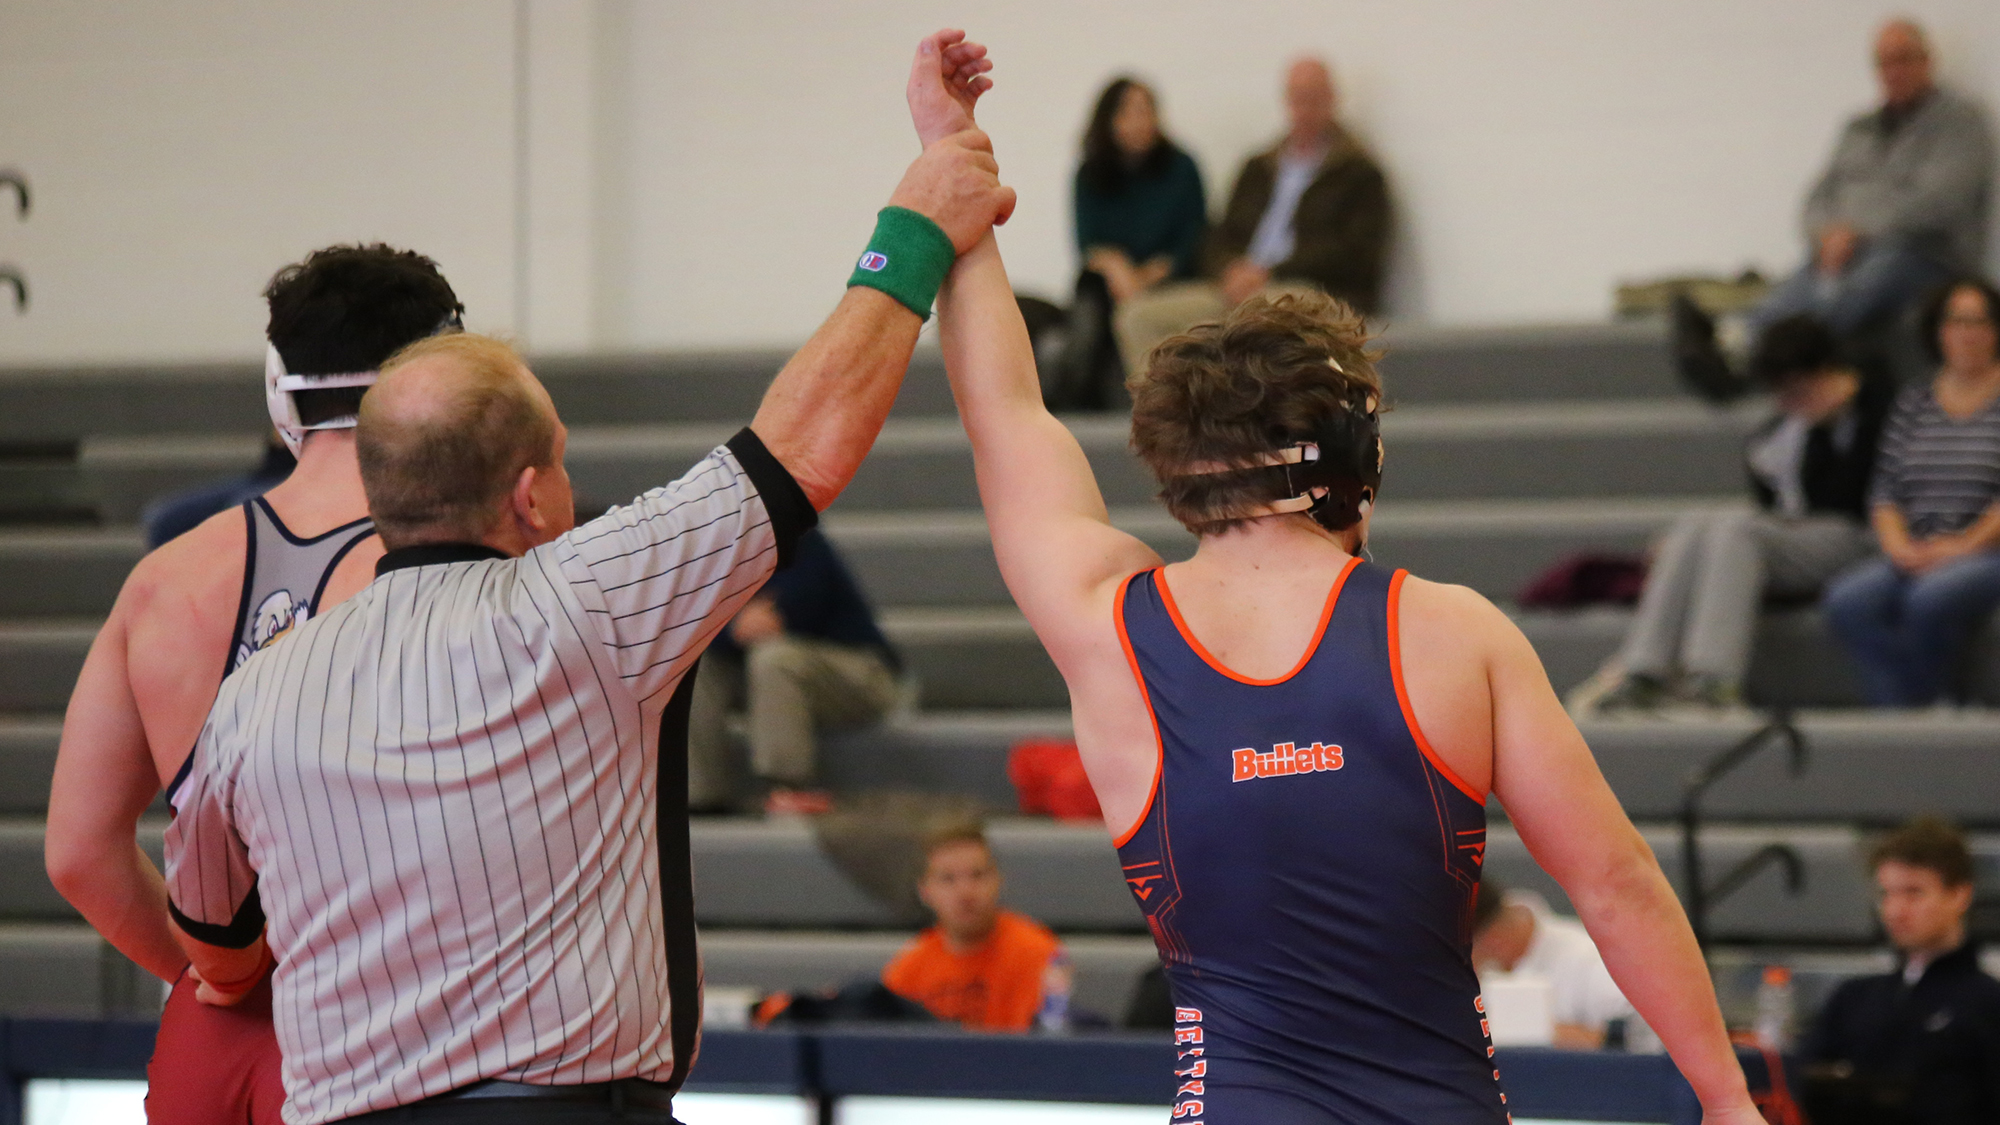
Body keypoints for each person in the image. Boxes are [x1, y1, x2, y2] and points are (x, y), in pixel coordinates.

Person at [158, 31, 1013, 1125]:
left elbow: (216, 940)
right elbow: (804, 442)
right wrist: (918, 222)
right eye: (560, 456)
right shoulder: (588, 598)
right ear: (528, 495)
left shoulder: (254, 697)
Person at [931, 224, 1758, 1119]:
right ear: (1350, 456)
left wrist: (957, 202)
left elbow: (1006, 412)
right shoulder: (1453, 633)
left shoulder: (1107, 628)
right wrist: (1725, 1097)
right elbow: (1615, 882)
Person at [44, 244, 466, 1125]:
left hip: (208, 1049)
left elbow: (79, 853)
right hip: (380, 1036)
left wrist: (211, 974)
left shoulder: (164, 579)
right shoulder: (449, 575)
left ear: (281, 386)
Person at [1676, 20, 1994, 397]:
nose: (1894, 72)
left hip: (1927, 257)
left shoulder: (1960, 123)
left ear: (1927, 62)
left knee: (1877, 271)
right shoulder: (1857, 129)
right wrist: (1825, 235)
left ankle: (1770, 353)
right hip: (1851, 251)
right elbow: (1817, 200)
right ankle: (1734, 335)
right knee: (1808, 275)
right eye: (1884, 62)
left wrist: (1857, 231)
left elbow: (1940, 200)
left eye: (1904, 60)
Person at [1594, 314, 1892, 712]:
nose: (1788, 404)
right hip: (1799, 534)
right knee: (1695, 525)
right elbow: (1773, 500)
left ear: (1827, 374)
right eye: (1781, 395)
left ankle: (1713, 680)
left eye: (1797, 391)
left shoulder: (1878, 413)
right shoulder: (1784, 431)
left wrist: (1838, 423)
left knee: (1739, 530)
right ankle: (1643, 670)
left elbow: (1853, 498)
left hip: (1862, 535)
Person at [1112, 57, 1390, 379]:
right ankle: (1165, 419)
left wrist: (1269, 271)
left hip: (1305, 288)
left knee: (1268, 310)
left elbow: (1355, 253)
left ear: (1332, 100)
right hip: (1237, 285)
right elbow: (1218, 235)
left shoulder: (1359, 174)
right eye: (1297, 98)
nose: (1305, 109)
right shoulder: (1258, 168)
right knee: (1138, 317)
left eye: (1314, 97)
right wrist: (1230, 269)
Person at [1823, 278, 2000, 706]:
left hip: (1986, 551)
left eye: (1978, 322)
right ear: (1938, 331)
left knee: (1932, 599)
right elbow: (1886, 491)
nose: (1966, 333)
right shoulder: (1914, 401)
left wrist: (1960, 547)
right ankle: (1903, 715)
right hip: (1919, 547)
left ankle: (1932, 706)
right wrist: (1900, 547)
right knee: (1848, 600)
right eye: (1956, 322)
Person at [688, 526, 902, 816]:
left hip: (857, 672)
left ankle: (788, 786)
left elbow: (789, 611)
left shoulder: (799, 535)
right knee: (692, 662)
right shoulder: (705, 549)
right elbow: (686, 622)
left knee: (774, 658)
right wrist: (732, 627)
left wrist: (729, 624)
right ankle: (700, 793)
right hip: (761, 673)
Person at [1800, 817, 2000, 1125]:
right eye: (1886, 894)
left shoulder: (1986, 1003)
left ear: (1959, 895)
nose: (1895, 910)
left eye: (1914, 893)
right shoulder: (1854, 998)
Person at [1049, 76, 1207, 410]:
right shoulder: (1090, 172)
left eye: (1146, 111)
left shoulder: (1181, 167)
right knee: (1092, 299)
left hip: (1169, 279)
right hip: (1110, 283)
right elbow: (1089, 245)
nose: (1139, 122)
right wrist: (1119, 271)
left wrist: (1145, 277)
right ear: (1108, 121)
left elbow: (1192, 238)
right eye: (1128, 112)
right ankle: (1073, 396)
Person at [881, 825, 1069, 1032]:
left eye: (977, 875)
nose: (965, 892)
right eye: (948, 879)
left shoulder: (1038, 953)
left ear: (997, 880)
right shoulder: (910, 967)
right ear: (925, 891)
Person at [1470, 879, 1641, 1050]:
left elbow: (1637, 1040)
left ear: (1493, 939)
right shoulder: (1476, 969)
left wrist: (1535, 1032)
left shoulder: (1591, 962)